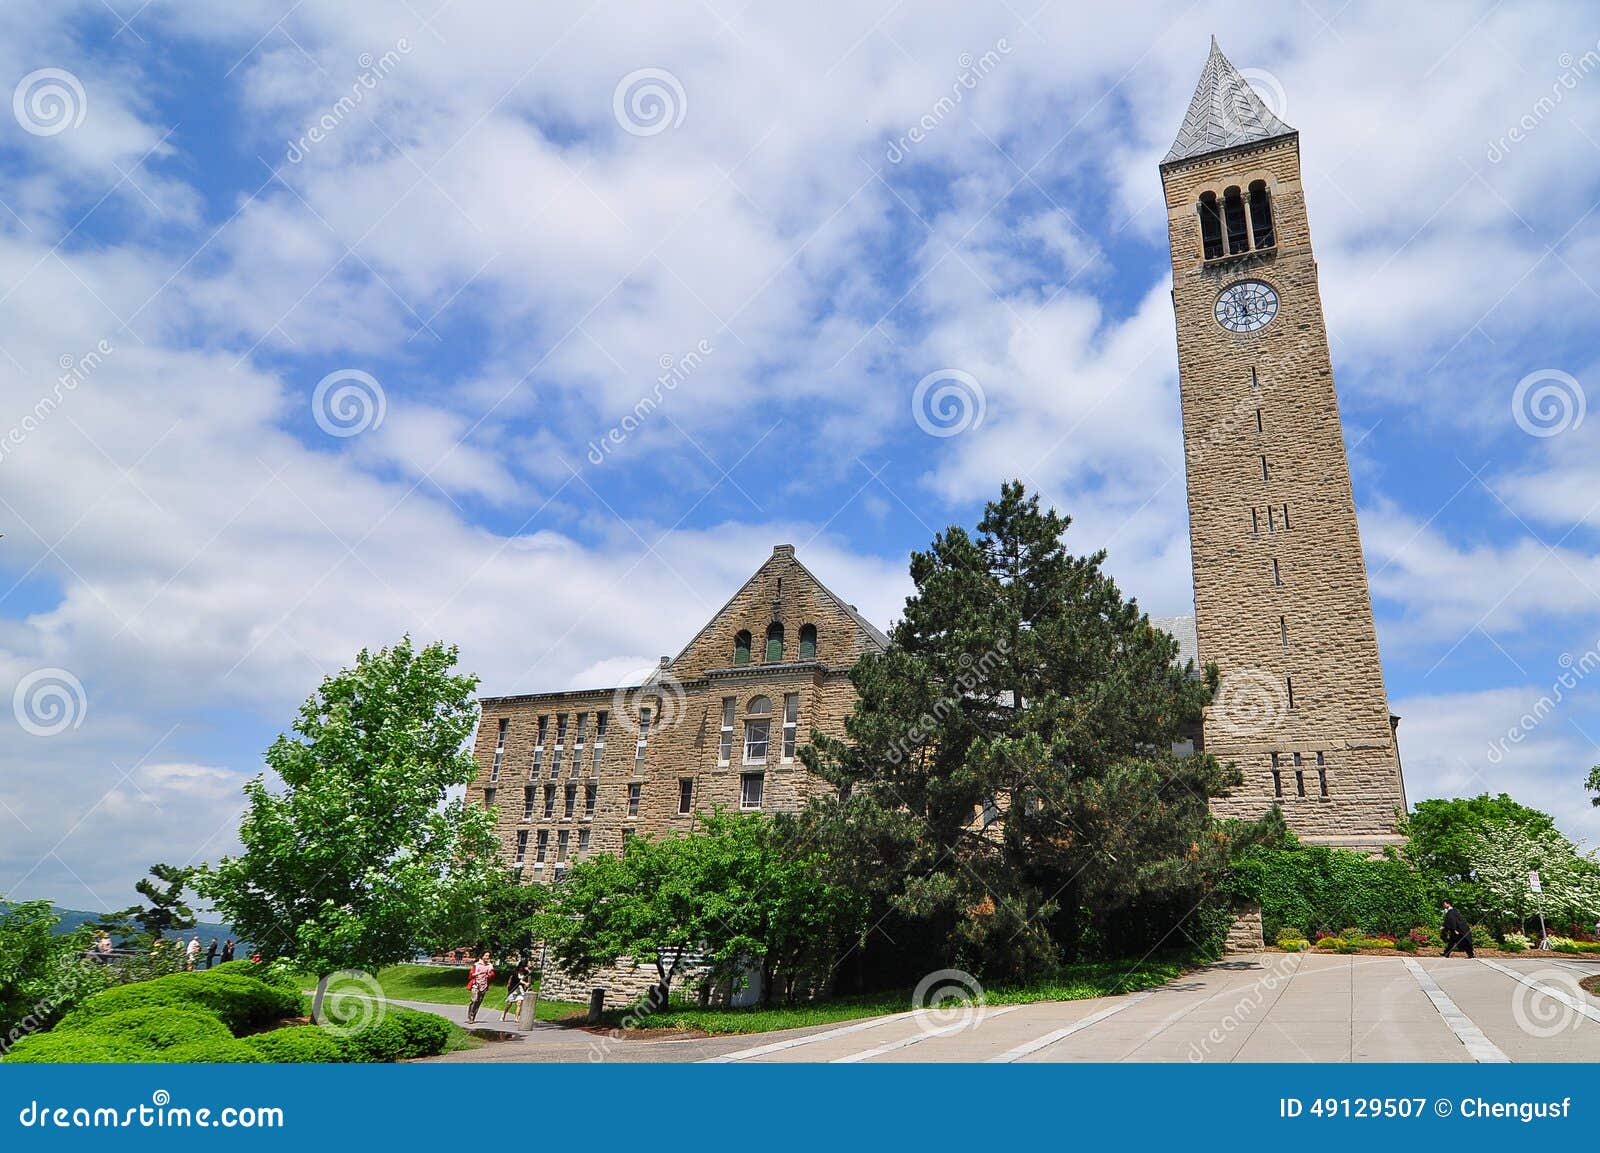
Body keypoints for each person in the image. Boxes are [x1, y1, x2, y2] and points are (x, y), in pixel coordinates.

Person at [465, 953, 496, 1024]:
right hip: (476, 984)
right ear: (482, 956)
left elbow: (492, 975)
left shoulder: (490, 965)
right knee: (474, 1000)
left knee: (478, 1002)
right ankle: (470, 1016)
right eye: (486, 955)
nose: (487, 957)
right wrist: (477, 974)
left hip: (484, 986)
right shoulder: (477, 964)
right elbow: (471, 975)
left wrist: (490, 975)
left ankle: (473, 1017)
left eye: (488, 956)